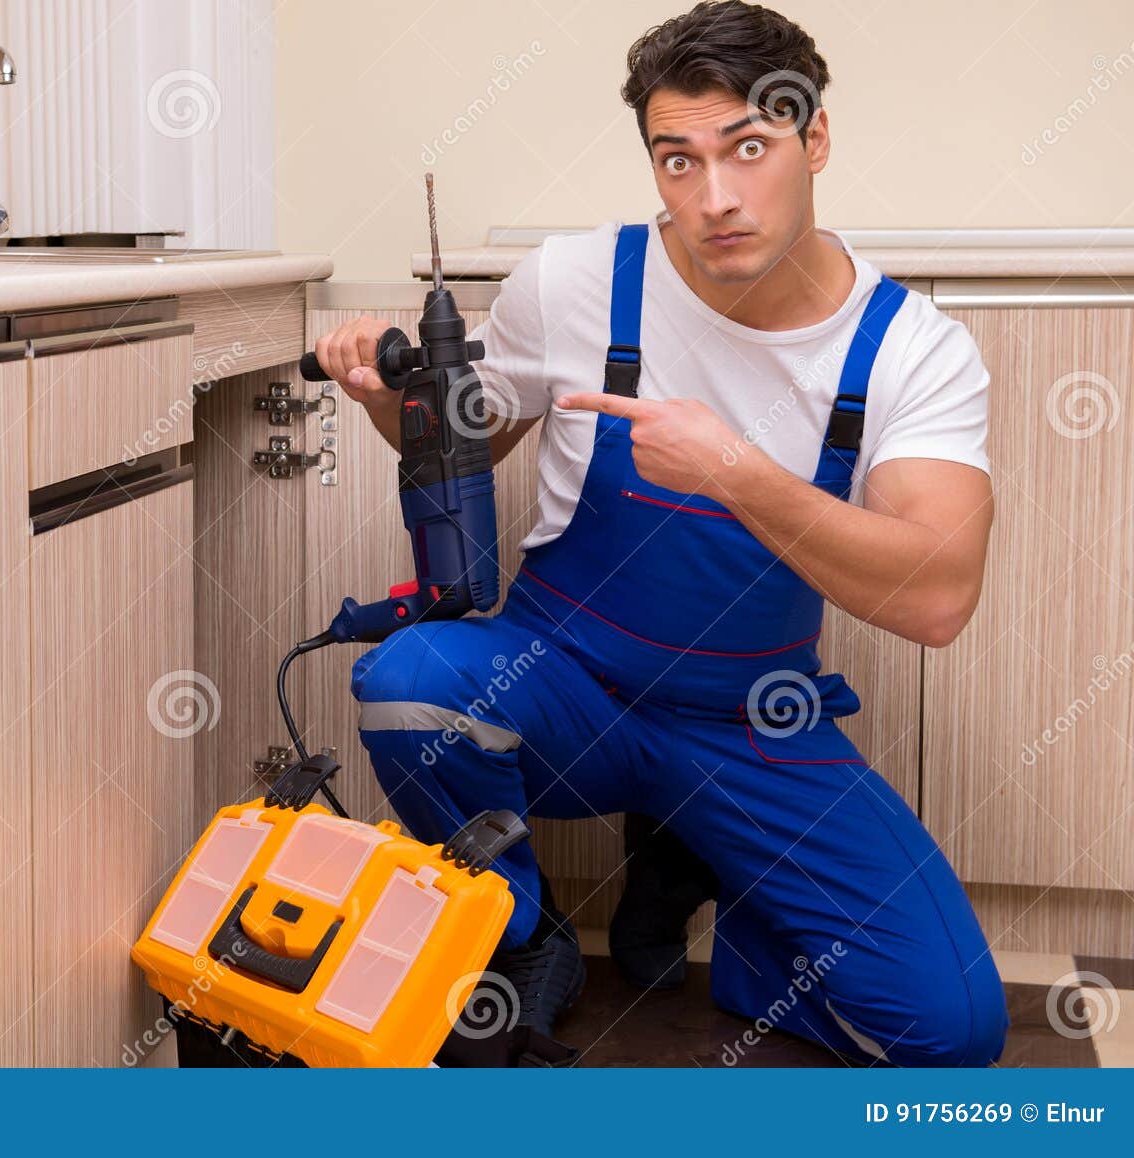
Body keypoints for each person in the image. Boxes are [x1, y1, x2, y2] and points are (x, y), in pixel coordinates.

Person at [311, 0, 1007, 1066]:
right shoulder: (579, 280)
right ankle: (518, 936)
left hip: (749, 722)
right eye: (676, 161)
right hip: (565, 682)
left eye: (748, 150)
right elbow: (471, 436)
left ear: (814, 140)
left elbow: (936, 595)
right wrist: (378, 389)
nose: (714, 198)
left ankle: (712, 877)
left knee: (953, 1030)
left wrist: (732, 470)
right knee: (411, 679)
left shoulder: (909, 351)